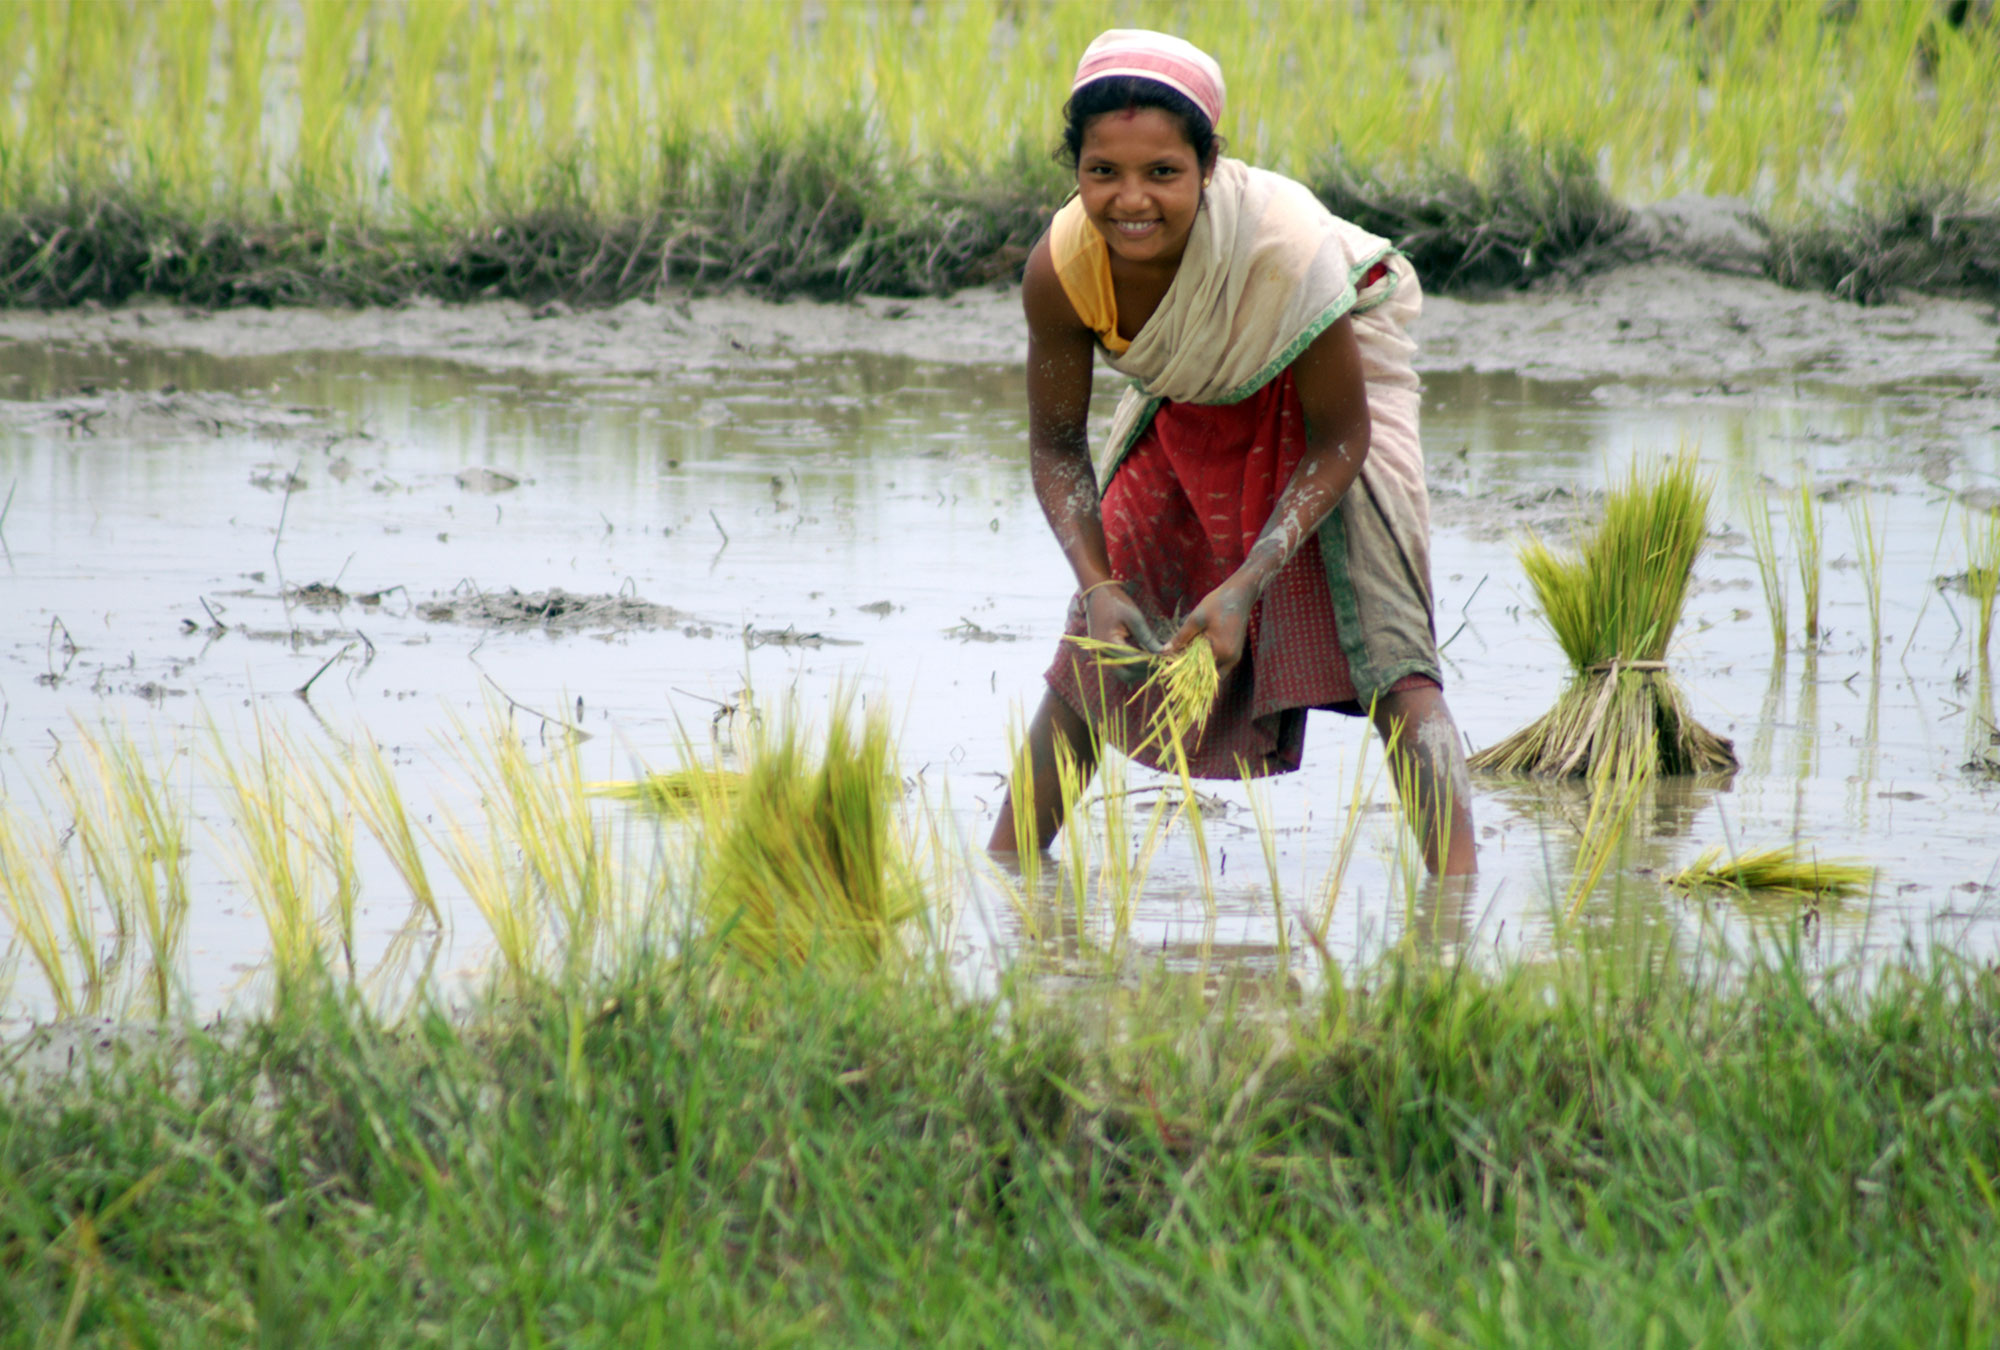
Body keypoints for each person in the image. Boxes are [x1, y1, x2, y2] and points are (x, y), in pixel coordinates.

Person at [988, 29, 1476, 875]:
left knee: (1393, 649)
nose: (1130, 199)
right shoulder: (1062, 268)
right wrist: (1098, 586)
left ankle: (1457, 896)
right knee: (1096, 644)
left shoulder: (1283, 251)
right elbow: (1058, 447)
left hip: (1322, 381)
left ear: (1209, 166)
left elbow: (1342, 438)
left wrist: (1249, 583)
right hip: (1190, 395)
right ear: (1076, 170)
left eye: (1163, 173)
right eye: (1103, 171)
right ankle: (1006, 871)